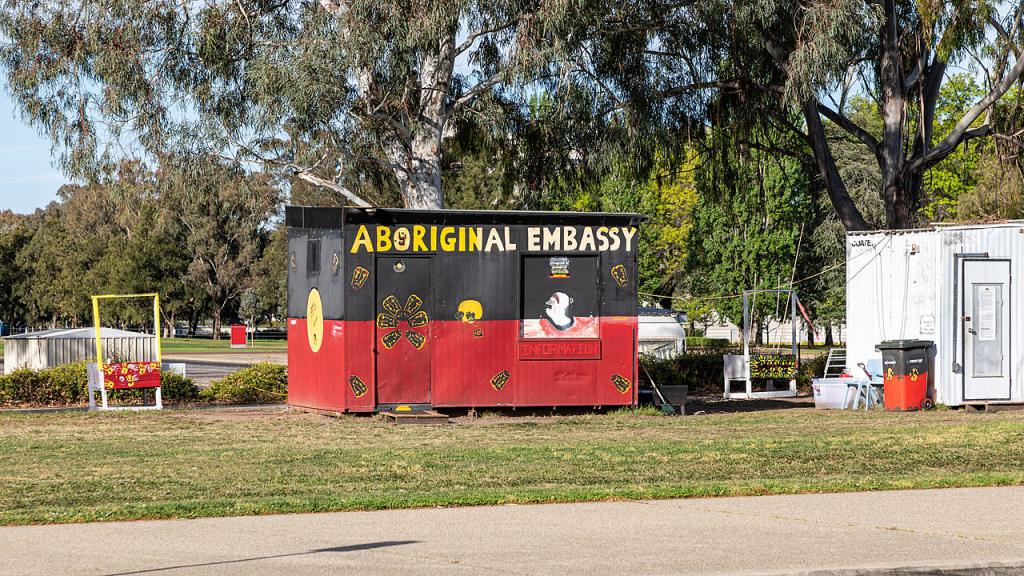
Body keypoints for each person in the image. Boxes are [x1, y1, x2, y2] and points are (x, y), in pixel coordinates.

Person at [522, 291, 598, 338]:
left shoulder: (585, 326)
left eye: (552, 302)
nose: (547, 304)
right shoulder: (537, 326)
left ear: (563, 306)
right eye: (549, 301)